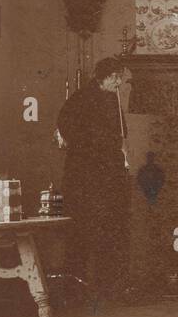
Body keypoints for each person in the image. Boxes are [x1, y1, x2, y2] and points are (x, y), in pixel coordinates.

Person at [54, 57, 130, 303]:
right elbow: (65, 126)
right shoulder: (81, 98)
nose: (119, 82)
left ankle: (107, 288)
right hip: (85, 176)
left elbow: (121, 135)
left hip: (109, 175)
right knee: (84, 229)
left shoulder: (112, 99)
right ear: (104, 76)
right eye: (116, 77)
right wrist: (94, 145)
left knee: (110, 228)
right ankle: (77, 290)